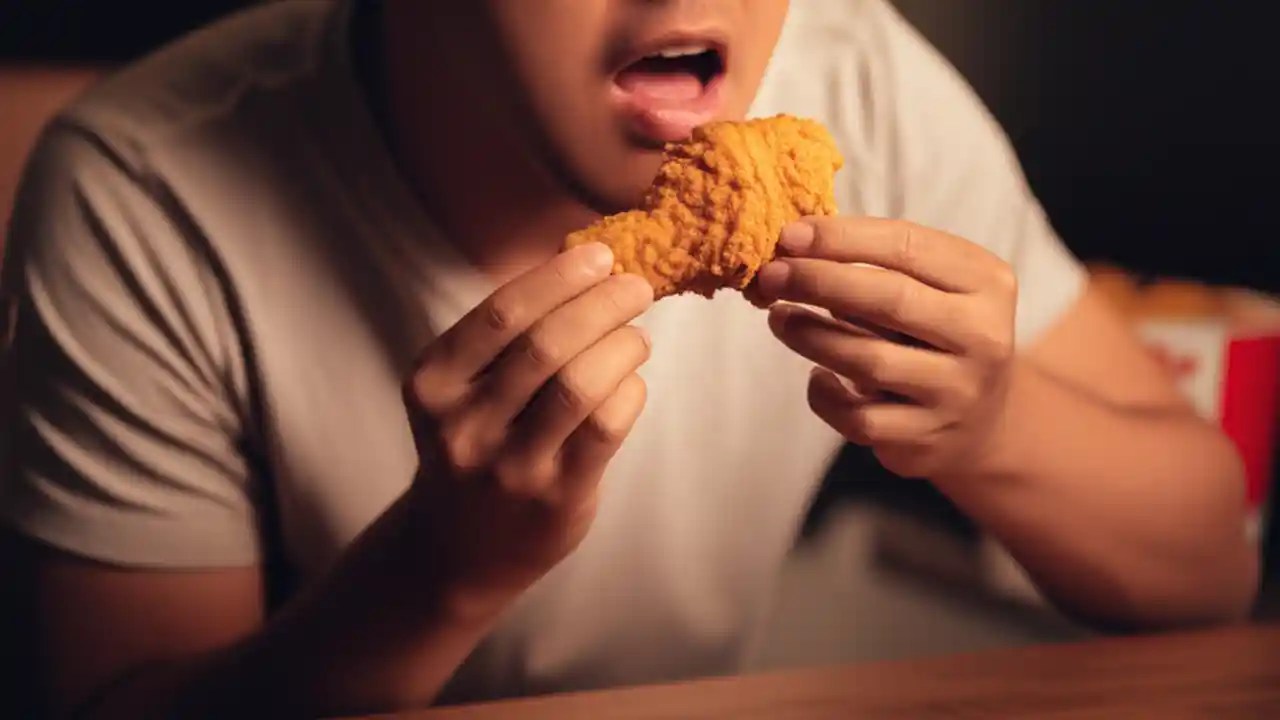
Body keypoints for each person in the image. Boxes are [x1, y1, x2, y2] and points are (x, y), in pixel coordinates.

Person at [0, 0, 1257, 717]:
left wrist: (994, 426)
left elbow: (1206, 576)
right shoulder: (146, 192)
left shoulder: (860, 83)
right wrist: (436, 573)